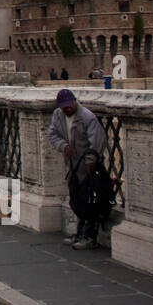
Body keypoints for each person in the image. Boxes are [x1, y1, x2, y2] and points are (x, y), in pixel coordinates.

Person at [47, 89, 108, 250]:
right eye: (64, 107)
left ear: (75, 102)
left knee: (89, 201)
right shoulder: (58, 115)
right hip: (71, 166)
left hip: (87, 167)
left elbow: (97, 142)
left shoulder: (87, 117)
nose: (67, 109)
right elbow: (52, 135)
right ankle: (80, 231)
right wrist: (63, 146)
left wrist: (90, 161)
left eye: (69, 106)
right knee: (76, 200)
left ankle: (90, 235)